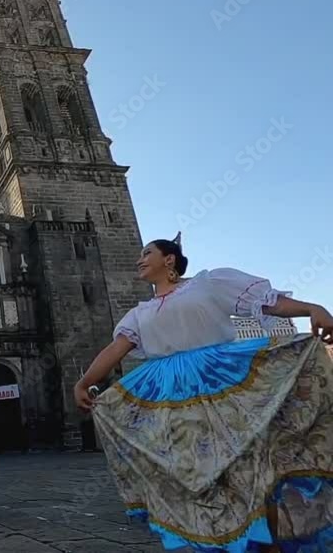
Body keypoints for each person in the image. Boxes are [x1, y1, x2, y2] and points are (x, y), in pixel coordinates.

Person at [75, 233, 333, 553]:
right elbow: (115, 350)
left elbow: (267, 302)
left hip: (223, 380)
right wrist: (83, 382)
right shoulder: (139, 314)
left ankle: (267, 543)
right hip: (168, 397)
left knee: (246, 468)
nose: (139, 259)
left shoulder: (207, 284)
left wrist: (311, 307)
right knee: (195, 476)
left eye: (147, 253)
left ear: (169, 259)